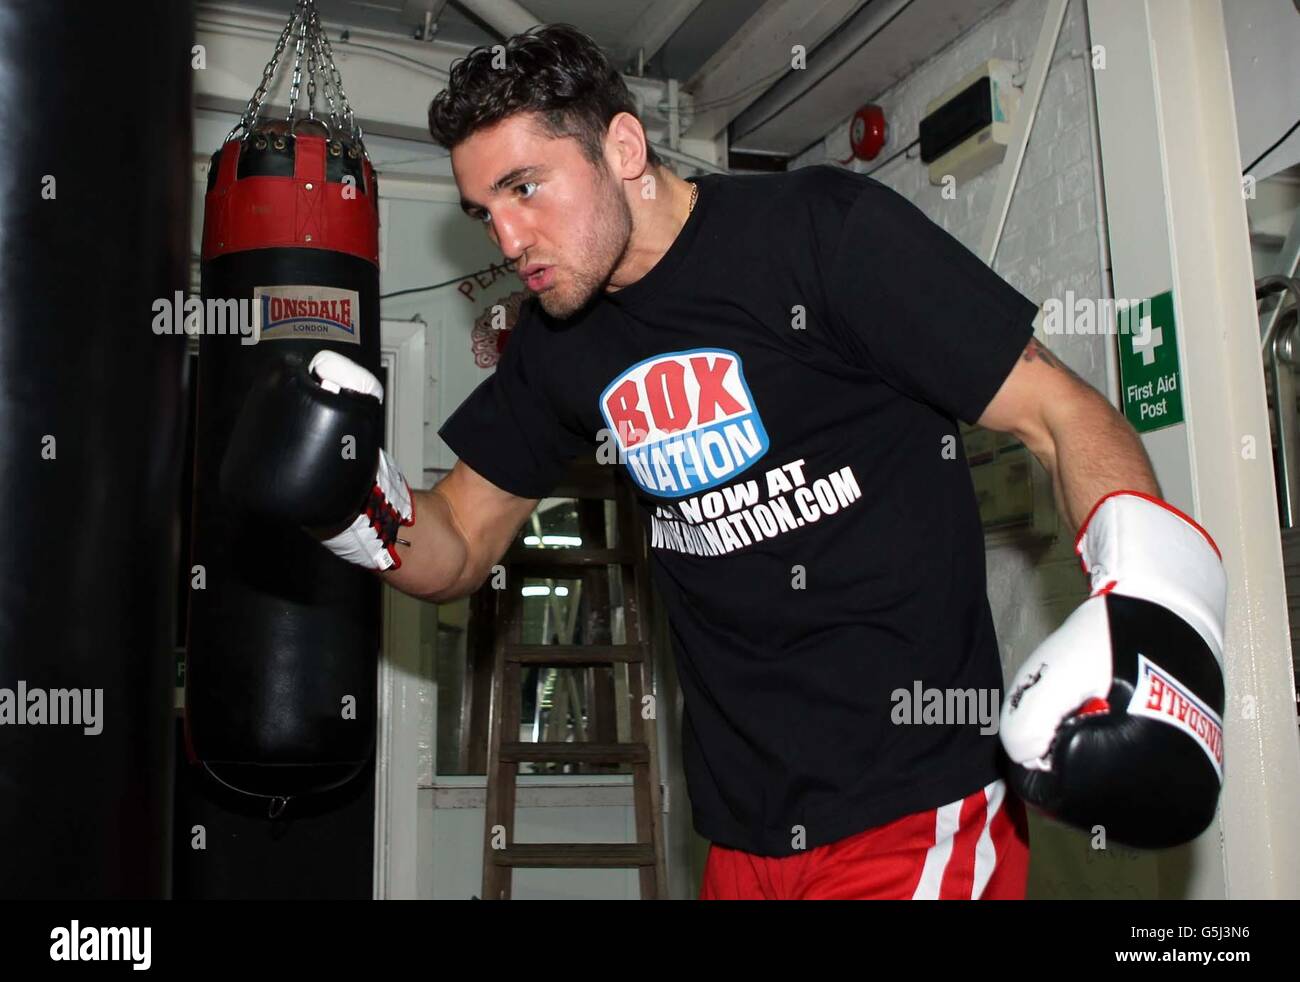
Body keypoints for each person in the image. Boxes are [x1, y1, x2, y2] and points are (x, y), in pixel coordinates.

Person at [226, 24, 1227, 899]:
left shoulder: (819, 236)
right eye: (486, 210)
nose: (509, 236)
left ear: (622, 146)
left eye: (524, 188)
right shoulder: (560, 341)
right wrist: (354, 505)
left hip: (912, 802)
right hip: (741, 830)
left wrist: (1148, 609)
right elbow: (456, 546)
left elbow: (1062, 411)